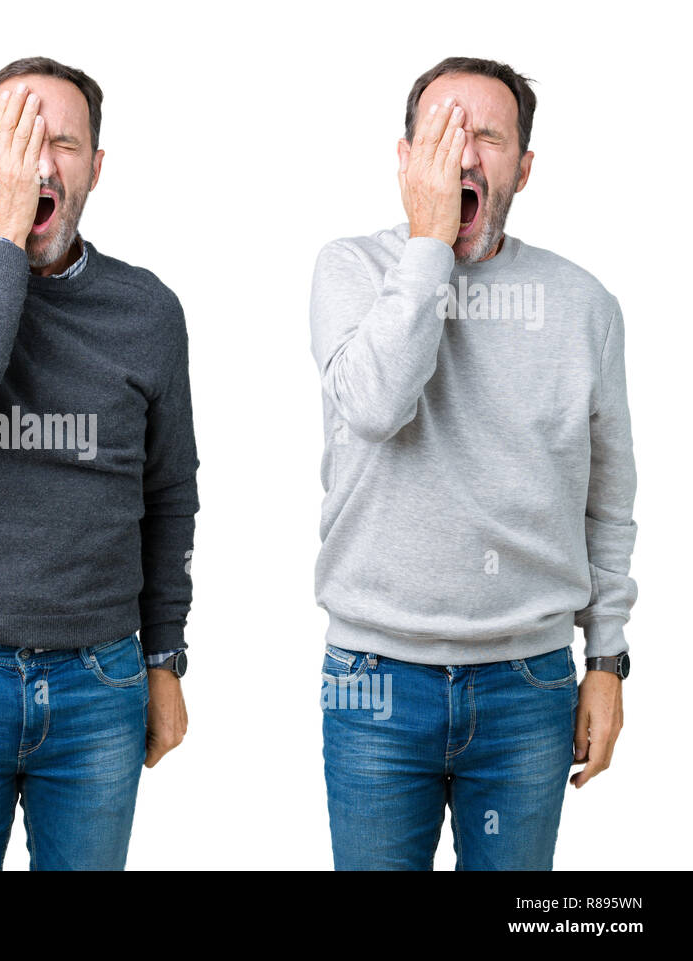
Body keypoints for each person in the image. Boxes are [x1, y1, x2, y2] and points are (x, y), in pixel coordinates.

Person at [310, 57, 636, 870]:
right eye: (441, 134)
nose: (462, 155)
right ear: (405, 157)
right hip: (373, 679)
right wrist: (428, 244)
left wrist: (607, 659)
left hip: (527, 686)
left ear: (522, 168)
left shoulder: (584, 305)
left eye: (486, 136)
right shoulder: (350, 272)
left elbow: (609, 499)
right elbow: (379, 406)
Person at [0, 56, 199, 870]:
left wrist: (164, 659)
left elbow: (168, 494)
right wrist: (3, 234)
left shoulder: (148, 309)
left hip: (101, 679)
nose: (40, 163)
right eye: (17, 140)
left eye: (62, 142)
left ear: (96, 167)